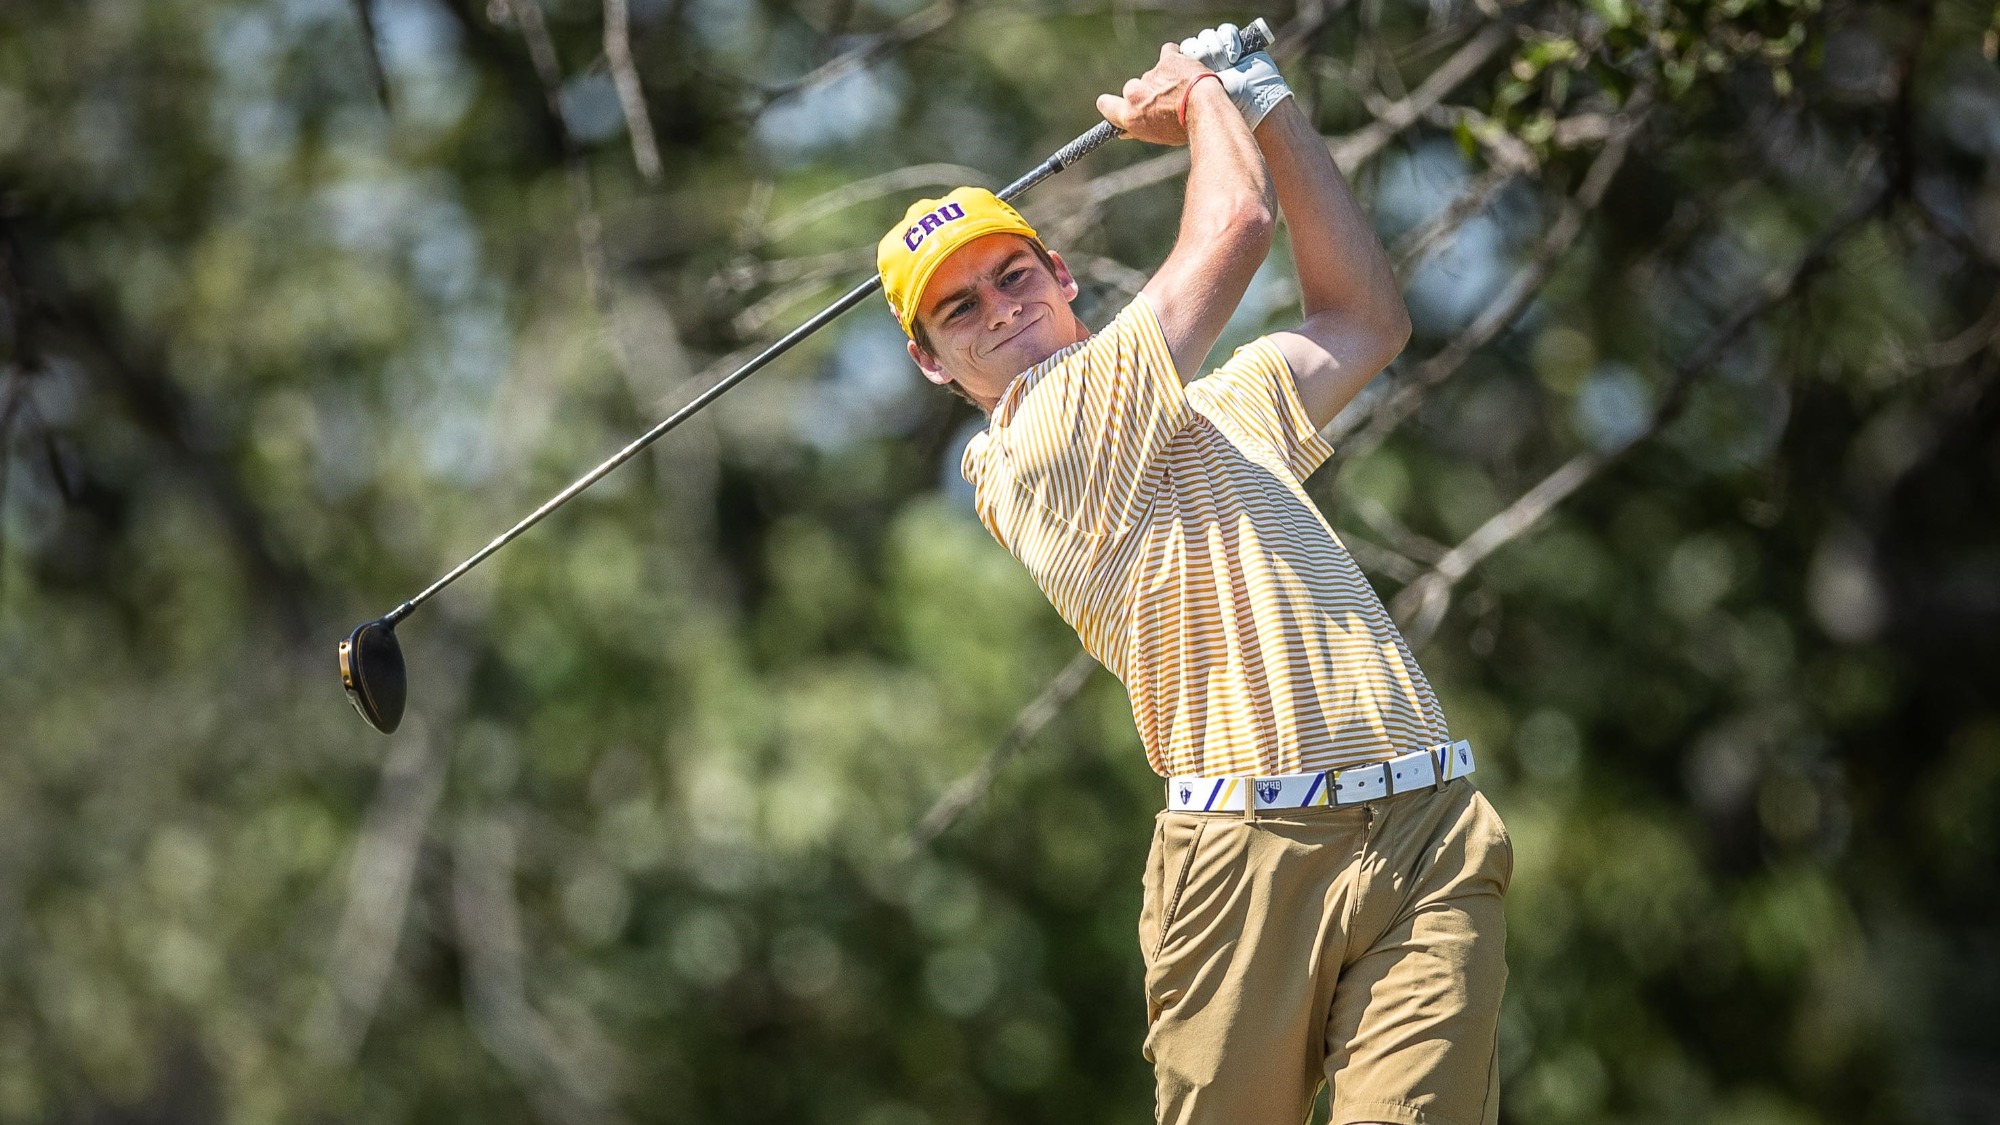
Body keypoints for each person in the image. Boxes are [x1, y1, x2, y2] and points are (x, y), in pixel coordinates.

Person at [875, 25, 1513, 1125]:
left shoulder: (1204, 414)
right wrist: (1204, 96)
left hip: (1424, 827)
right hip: (1245, 856)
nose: (1002, 308)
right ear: (932, 363)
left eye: (1012, 275)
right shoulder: (1039, 443)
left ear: (1061, 275)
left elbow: (1362, 320)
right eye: (959, 309)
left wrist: (1265, 102)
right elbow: (1236, 225)